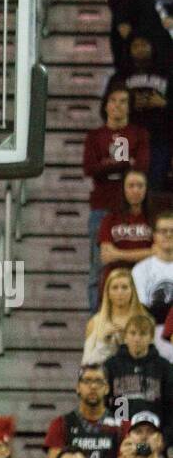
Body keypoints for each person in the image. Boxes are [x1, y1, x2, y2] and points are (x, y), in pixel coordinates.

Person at [85, 88, 151, 307]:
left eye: (123, 101)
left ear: (129, 106)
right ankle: (96, 328)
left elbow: (141, 166)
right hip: (102, 209)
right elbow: (90, 168)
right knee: (98, 271)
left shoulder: (139, 134)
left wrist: (107, 165)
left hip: (134, 210)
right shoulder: (94, 136)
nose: (118, 105)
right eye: (113, 101)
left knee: (140, 269)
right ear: (105, 105)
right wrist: (125, 164)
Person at [43, 365, 123, 458]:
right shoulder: (60, 424)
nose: (93, 386)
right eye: (87, 381)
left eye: (98, 381)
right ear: (78, 387)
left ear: (107, 388)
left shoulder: (121, 425)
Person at [105, 312, 173, 428]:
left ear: (151, 338)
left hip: (153, 431)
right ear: (125, 337)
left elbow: (170, 407)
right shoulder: (111, 365)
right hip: (120, 432)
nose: (137, 339)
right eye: (132, 333)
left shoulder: (164, 367)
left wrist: (164, 438)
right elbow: (104, 403)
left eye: (143, 334)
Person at [84, 267, 145, 366]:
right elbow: (86, 365)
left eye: (124, 287)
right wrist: (103, 341)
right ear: (107, 292)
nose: (120, 292)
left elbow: (153, 363)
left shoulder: (145, 321)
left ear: (133, 291)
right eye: (115, 288)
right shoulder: (95, 323)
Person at [133, 212, 173, 335]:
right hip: (151, 331)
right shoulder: (140, 269)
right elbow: (143, 310)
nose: (168, 234)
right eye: (163, 231)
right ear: (154, 235)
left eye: (172, 230)